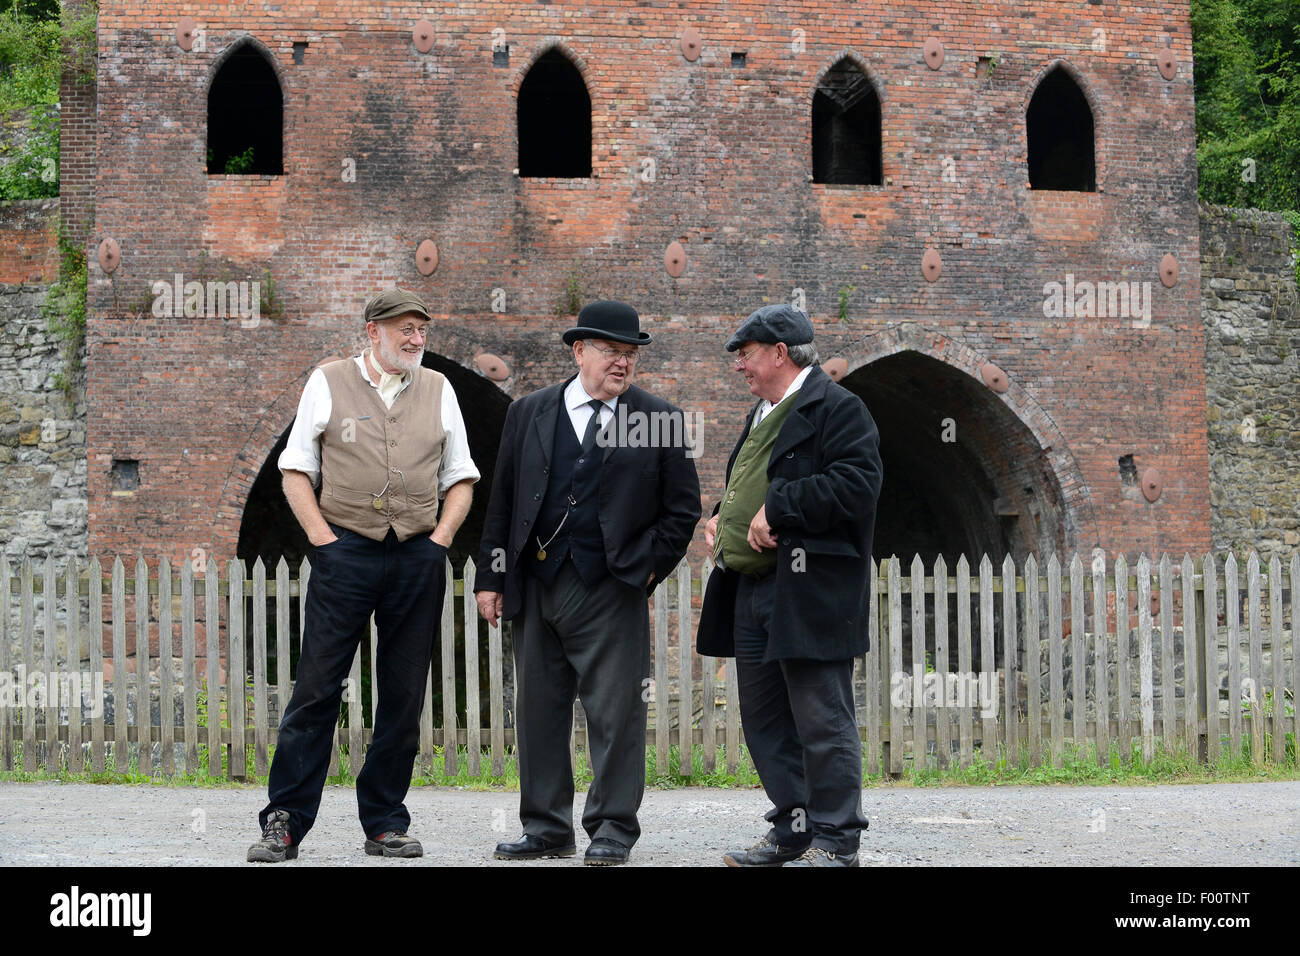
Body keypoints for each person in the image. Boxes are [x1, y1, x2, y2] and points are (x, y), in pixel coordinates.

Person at [248, 287, 479, 862]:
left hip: (416, 555)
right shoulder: (329, 381)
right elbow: (296, 469)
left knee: (402, 694)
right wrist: (324, 543)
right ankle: (284, 822)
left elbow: (461, 477)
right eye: (404, 328)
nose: (416, 339)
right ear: (371, 332)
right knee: (317, 690)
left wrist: (441, 541)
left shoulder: (439, 389)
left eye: (421, 329)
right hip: (345, 550)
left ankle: (385, 823)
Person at [475, 300, 700, 866]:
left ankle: (613, 829)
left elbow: (682, 512)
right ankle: (547, 828)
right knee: (538, 710)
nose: (622, 363)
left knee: (616, 712)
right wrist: (492, 576)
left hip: (612, 587)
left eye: (630, 354)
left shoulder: (660, 418)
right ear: (579, 351)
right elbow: (501, 501)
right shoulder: (528, 412)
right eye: (610, 351)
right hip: (536, 582)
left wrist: (645, 570)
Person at [696, 303, 882, 868]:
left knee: (822, 718)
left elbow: (857, 485)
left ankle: (836, 839)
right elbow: (755, 481)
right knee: (765, 718)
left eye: (746, 355)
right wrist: (722, 516)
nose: (739, 367)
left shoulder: (839, 408)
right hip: (750, 591)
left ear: (780, 353)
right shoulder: (763, 412)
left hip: (808, 588)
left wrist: (777, 510)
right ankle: (792, 829)